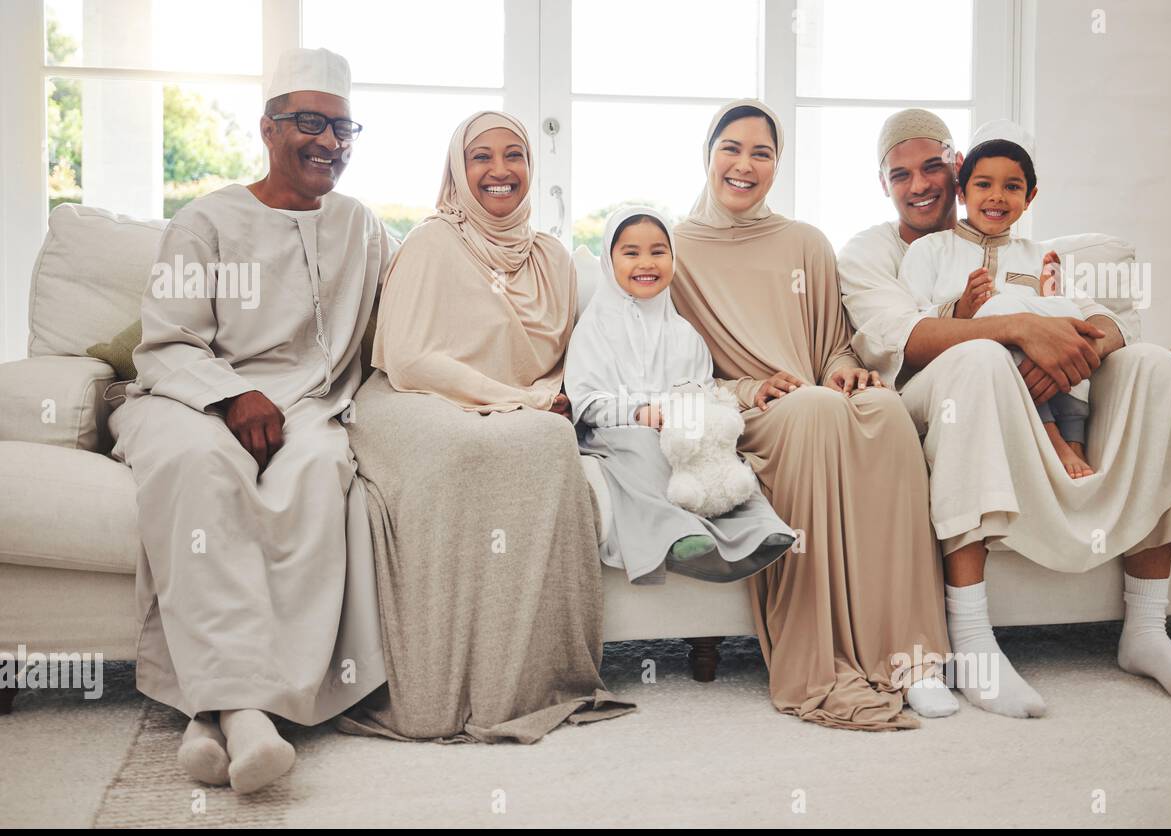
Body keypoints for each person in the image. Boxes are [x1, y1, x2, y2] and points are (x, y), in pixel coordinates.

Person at [838, 108, 1171, 718]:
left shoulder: (1030, 251)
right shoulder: (874, 250)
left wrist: (1070, 351)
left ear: (957, 169)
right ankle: (971, 642)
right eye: (900, 175)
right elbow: (902, 338)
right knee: (981, 360)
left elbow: (1113, 320)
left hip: (1032, 391)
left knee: (1157, 366)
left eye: (933, 166)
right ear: (883, 184)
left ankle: (1148, 630)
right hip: (924, 397)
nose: (920, 185)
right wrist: (1018, 328)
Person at [109, 47, 390, 793]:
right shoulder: (206, 220)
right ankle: (249, 715)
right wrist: (232, 395)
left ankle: (219, 718)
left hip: (312, 408)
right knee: (199, 467)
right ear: (267, 129)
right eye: (308, 123)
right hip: (190, 396)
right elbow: (164, 343)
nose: (329, 142)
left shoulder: (363, 226)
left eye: (342, 127)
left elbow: (411, 317)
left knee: (320, 472)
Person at [336, 111, 635, 743]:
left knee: (545, 441)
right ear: (457, 169)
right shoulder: (431, 244)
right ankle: (436, 691)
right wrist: (509, 399)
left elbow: (570, 358)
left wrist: (547, 399)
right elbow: (412, 358)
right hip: (412, 399)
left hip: (518, 403)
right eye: (481, 157)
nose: (499, 171)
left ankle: (525, 684)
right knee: (464, 450)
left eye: (514, 156)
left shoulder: (553, 258)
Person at [670, 99, 957, 729]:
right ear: (707, 157)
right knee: (816, 415)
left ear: (777, 166)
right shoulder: (675, 248)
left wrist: (841, 369)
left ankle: (917, 660)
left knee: (884, 410)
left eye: (762, 153)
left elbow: (832, 343)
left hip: (816, 393)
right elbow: (675, 365)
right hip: (751, 409)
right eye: (731, 149)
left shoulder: (804, 241)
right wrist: (750, 390)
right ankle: (825, 659)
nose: (745, 165)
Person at [565, 204, 795, 584]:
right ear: (609, 260)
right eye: (631, 252)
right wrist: (640, 412)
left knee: (721, 457)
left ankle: (759, 529)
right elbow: (587, 403)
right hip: (618, 434)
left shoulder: (683, 334)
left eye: (658, 251)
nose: (646, 262)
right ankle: (676, 535)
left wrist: (698, 418)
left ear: (673, 258)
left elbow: (700, 390)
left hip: (679, 429)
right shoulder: (594, 330)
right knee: (646, 453)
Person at [899, 120, 1094, 478]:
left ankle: (1075, 440)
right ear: (962, 192)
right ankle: (1053, 438)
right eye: (984, 184)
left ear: (1030, 197)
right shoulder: (930, 250)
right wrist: (961, 309)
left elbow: (1083, 323)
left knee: (1066, 311)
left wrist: (1052, 295)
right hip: (957, 372)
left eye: (1012, 187)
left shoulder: (1038, 255)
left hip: (1043, 370)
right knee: (999, 309)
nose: (997, 197)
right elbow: (909, 324)